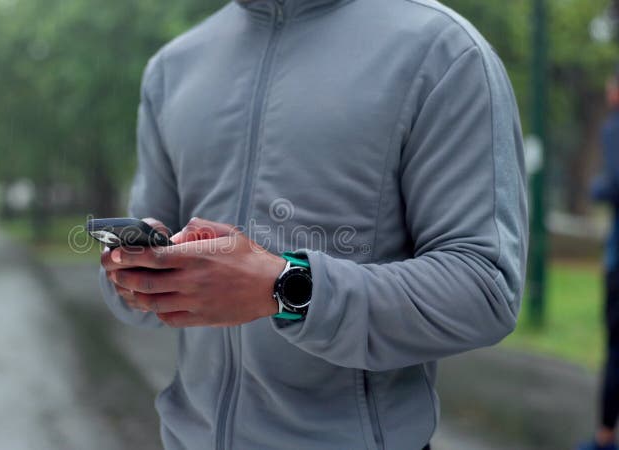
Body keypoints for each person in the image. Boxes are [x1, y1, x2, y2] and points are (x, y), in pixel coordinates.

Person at [99, 0, 528, 448]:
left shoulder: (441, 48)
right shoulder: (173, 66)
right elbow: (140, 285)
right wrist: (138, 276)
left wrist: (287, 286)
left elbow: (485, 289)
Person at [580, 72, 619, 450]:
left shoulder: (614, 127)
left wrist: (596, 188)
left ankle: (605, 436)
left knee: (616, 348)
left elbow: (614, 183)